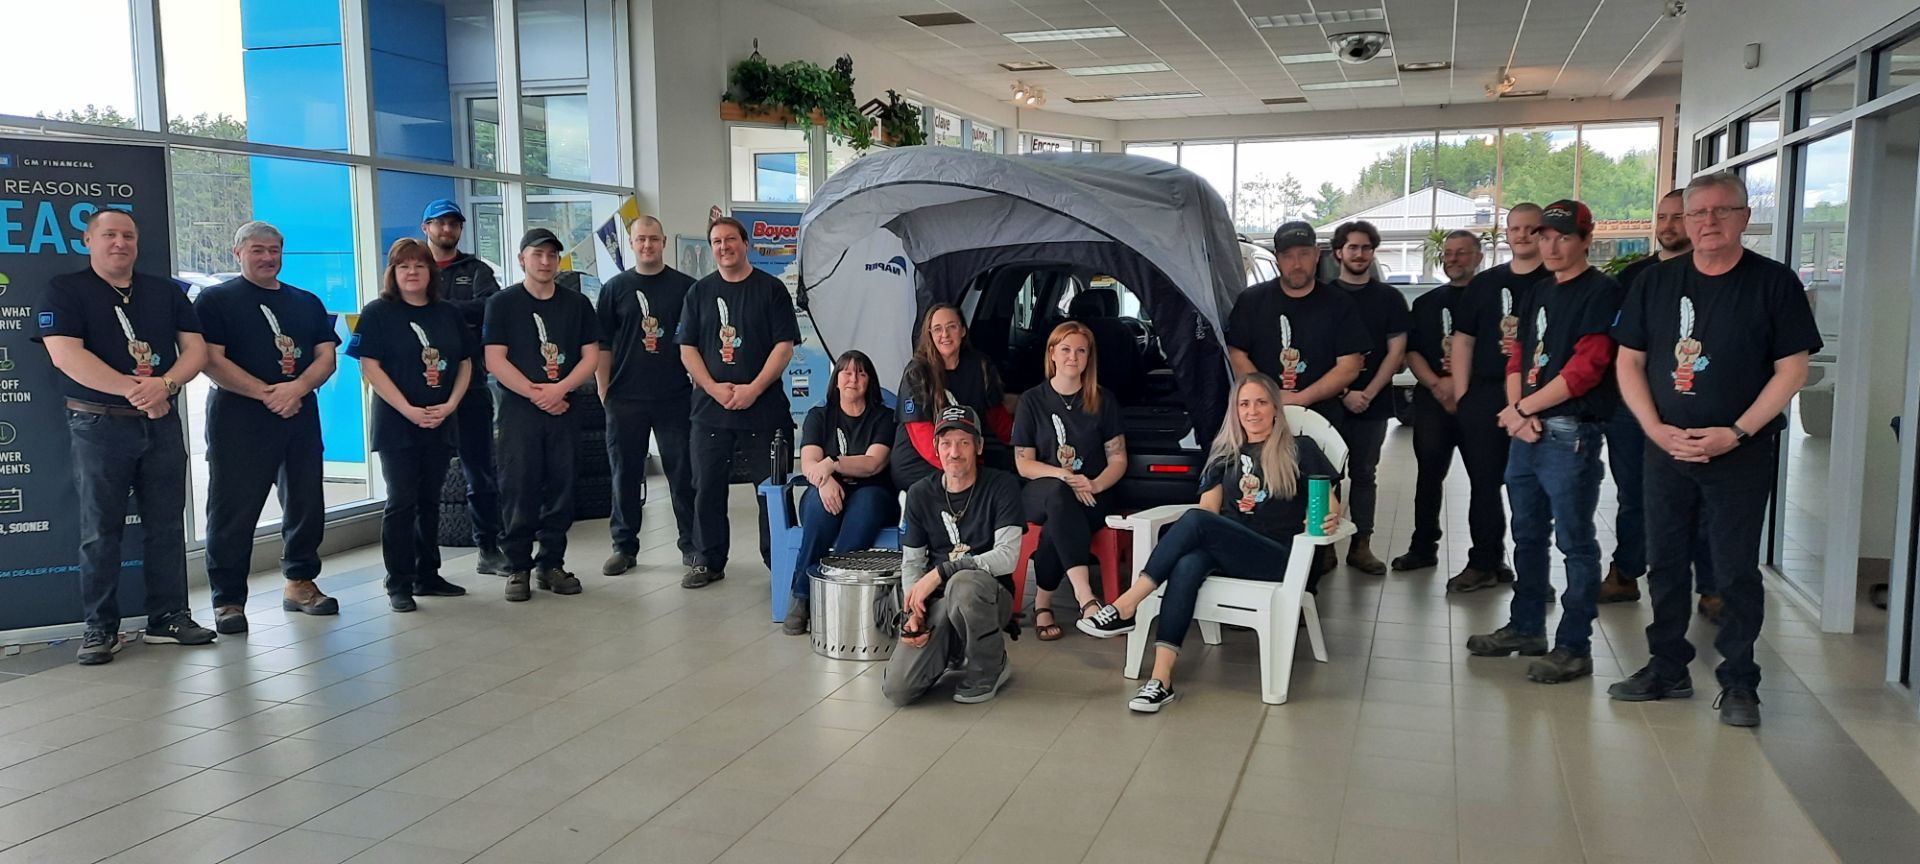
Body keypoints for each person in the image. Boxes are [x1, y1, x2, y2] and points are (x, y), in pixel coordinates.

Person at [1608, 172, 1821, 728]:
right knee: (1666, 565)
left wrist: (1739, 432)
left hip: (1740, 454)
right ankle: (1667, 666)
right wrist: (1654, 429)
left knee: (1734, 571)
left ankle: (1740, 681)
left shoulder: (1773, 284)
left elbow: (1792, 369)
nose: (1706, 223)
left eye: (1721, 212)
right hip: (1667, 448)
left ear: (1744, 219)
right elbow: (1628, 361)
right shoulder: (1655, 283)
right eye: (1695, 213)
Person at [1078, 373, 1342, 712]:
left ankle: (1127, 604)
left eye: (1261, 402)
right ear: (1235, 411)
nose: (1253, 411)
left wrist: (1328, 517)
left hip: (1282, 559)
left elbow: (1329, 501)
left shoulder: (1299, 449)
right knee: (1189, 561)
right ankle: (1161, 679)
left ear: (1276, 408)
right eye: (1244, 404)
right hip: (1233, 552)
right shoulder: (1224, 455)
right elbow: (1208, 513)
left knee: (1195, 522)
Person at [35, 209, 217, 664]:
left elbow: (194, 349)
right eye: (110, 235)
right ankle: (100, 629)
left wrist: (167, 385)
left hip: (161, 422)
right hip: (98, 424)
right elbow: (65, 355)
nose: (121, 243)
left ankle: (169, 617)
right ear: (88, 241)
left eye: (129, 236)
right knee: (101, 530)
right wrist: (141, 391)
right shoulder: (66, 289)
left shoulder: (163, 291)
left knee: (167, 525)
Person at [1465, 200, 1622, 685]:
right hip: (1526, 431)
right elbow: (1518, 355)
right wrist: (1518, 413)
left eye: (1562, 238)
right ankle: (1527, 627)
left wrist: (1524, 411)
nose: (1550, 246)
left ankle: (1574, 646)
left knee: (1575, 542)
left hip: (1569, 432)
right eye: (1544, 237)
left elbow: (1586, 369)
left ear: (1585, 239)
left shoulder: (1602, 292)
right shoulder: (1538, 290)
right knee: (1527, 535)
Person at [192, 221, 340, 634]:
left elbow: (325, 356)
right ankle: (228, 601)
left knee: (306, 503)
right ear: (238, 253)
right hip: (240, 417)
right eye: (258, 250)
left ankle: (300, 582)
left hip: (298, 415)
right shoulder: (215, 300)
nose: (268, 258)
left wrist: (295, 390)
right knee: (232, 510)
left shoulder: (306, 301)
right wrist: (266, 394)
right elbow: (210, 359)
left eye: (274, 250)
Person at [1597, 189, 1721, 619]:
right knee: (1635, 495)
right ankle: (1626, 572)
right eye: (1662, 217)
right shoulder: (1635, 277)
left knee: (1702, 500)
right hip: (1633, 409)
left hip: (1697, 407)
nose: (1668, 226)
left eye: (1676, 217)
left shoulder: (1717, 276)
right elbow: (1620, 347)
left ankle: (1710, 586)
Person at [1226, 220, 1367, 577]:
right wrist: (1270, 399)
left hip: (1323, 414)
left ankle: (1309, 580)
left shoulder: (1339, 304)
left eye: (1304, 254)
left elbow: (1350, 365)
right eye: (1288, 256)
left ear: (1317, 257)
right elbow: (1237, 353)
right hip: (1261, 415)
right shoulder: (1253, 300)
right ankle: (1258, 569)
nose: (1297, 263)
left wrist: (1301, 397)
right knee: (1262, 488)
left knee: (1317, 494)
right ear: (1277, 259)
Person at [347, 239, 477, 610]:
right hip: (398, 423)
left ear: (430, 271)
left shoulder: (447, 313)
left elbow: (465, 362)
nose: (412, 273)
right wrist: (407, 408)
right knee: (402, 501)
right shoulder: (378, 313)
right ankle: (399, 581)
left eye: (419, 266)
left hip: (439, 419)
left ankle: (427, 574)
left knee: (429, 500)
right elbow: (369, 366)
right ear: (393, 272)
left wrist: (450, 404)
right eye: (404, 267)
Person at [677, 216, 801, 589]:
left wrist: (754, 388)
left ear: (745, 243)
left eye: (730, 239)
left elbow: (784, 346)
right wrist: (713, 388)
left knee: (772, 492)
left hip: (764, 411)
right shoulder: (699, 293)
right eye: (716, 241)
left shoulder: (771, 290)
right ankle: (708, 560)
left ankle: (779, 559)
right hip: (710, 412)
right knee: (706, 488)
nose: (723, 247)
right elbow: (687, 348)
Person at [484, 229, 602, 601]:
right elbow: (495, 360)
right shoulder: (502, 304)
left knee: (562, 488)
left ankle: (551, 563)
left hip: (564, 407)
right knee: (519, 488)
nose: (546, 262)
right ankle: (518, 565)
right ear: (522, 259)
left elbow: (590, 356)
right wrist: (536, 393)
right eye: (538, 254)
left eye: (552, 255)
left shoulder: (576, 304)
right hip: (520, 411)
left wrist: (559, 389)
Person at [884, 406, 1023, 706]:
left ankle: (990, 667)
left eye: (963, 442)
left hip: (988, 595)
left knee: (963, 584)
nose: (954, 452)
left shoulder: (1003, 486)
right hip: (941, 600)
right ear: (936, 448)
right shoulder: (920, 493)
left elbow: (1007, 557)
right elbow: (912, 563)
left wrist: (942, 572)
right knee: (898, 690)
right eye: (946, 443)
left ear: (979, 446)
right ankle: (955, 646)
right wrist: (913, 611)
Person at [1444, 204, 1549, 592]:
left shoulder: (1555, 281)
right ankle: (1486, 561)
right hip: (1486, 396)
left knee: (1532, 487)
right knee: (1484, 484)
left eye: (1530, 228)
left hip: (1541, 398)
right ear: (1506, 235)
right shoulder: (1485, 284)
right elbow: (1463, 340)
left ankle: (1533, 572)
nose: (1522, 236)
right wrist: (1463, 394)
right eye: (1515, 229)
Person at [594, 215, 698, 576]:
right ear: (631, 243)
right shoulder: (614, 289)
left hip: (674, 397)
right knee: (625, 475)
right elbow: (601, 344)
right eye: (640, 240)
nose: (647, 246)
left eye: (653, 239)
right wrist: (603, 388)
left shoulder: (687, 288)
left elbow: (696, 343)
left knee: (683, 474)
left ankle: (692, 545)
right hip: (625, 398)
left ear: (664, 241)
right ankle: (624, 547)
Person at [1013, 322, 1126, 640]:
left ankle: (1043, 602)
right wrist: (1064, 475)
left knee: (1058, 519)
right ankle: (1085, 598)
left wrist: (1095, 484)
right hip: (1041, 489)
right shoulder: (1032, 401)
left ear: (1089, 357)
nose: (1072, 357)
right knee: (1058, 495)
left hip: (1092, 494)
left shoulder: (1104, 400)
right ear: (1052, 354)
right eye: (1065, 349)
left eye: (1080, 350)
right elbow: (1023, 463)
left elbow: (1118, 459)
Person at [782, 350, 898, 635]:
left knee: (866, 505)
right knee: (819, 511)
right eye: (846, 372)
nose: (853, 379)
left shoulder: (885, 417)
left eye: (861, 373)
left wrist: (832, 463)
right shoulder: (818, 416)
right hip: (826, 490)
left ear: (869, 381)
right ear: (835, 380)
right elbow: (809, 463)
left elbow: (872, 464)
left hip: (873, 491)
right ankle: (802, 597)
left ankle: (830, 591)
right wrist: (824, 480)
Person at [422, 199, 507, 576]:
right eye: (440, 223)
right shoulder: (412, 267)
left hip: (471, 386)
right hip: (424, 391)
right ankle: (424, 563)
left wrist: (441, 310)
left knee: (481, 472)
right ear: (426, 227)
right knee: (424, 477)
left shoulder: (476, 270)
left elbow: (492, 306)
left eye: (454, 224)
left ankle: (489, 548)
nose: (447, 230)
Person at [1392, 229, 1483, 572]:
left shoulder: (1490, 300)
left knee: (1484, 480)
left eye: (1462, 253)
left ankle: (1486, 556)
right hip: (1434, 401)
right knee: (1428, 476)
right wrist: (1436, 384)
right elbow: (1411, 351)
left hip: (1477, 403)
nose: (1453, 259)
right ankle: (1423, 547)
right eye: (1448, 253)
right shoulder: (1426, 303)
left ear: (1479, 257)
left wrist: (1460, 387)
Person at [1327, 220, 1410, 575]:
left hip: (1373, 404)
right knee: (1324, 476)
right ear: (1338, 253)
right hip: (1330, 401)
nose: (1359, 254)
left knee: (1364, 474)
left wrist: (1367, 393)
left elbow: (1397, 352)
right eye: (1352, 247)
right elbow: (1317, 350)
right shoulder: (1323, 296)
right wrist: (1344, 392)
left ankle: (1361, 546)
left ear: (1372, 253)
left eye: (1365, 248)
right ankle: (1324, 547)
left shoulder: (1389, 298)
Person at [891, 303, 1014, 489]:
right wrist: (960, 471)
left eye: (952, 327)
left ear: (963, 330)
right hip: (921, 462)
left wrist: (1024, 447)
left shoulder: (980, 366)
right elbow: (921, 435)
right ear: (930, 335)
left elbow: (997, 417)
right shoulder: (917, 373)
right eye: (938, 329)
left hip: (965, 457)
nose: (945, 335)